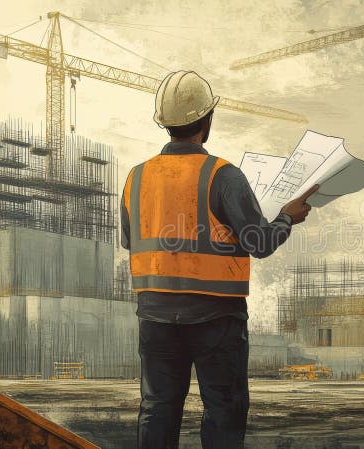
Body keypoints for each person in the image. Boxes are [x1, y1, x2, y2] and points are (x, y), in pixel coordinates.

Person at [121, 70, 318, 449]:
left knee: (158, 410)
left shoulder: (136, 178)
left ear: (164, 123)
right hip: (217, 319)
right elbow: (259, 242)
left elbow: (133, 240)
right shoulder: (223, 176)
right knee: (223, 413)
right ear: (207, 120)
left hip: (155, 316)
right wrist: (286, 217)